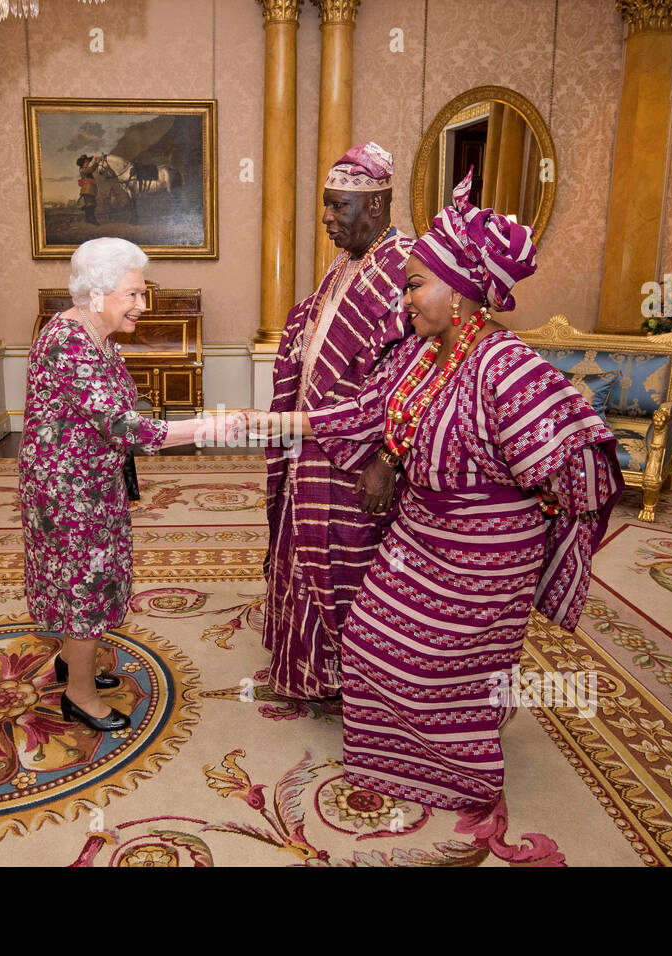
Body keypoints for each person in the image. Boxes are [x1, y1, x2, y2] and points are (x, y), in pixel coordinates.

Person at [249, 171, 623, 810]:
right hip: (418, 535)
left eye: (416, 285)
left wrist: (532, 522)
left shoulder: (506, 364)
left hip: (483, 551)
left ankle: (456, 774)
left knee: (428, 660)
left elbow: (578, 455)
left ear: (460, 290)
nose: (407, 301)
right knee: (369, 634)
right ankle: (397, 762)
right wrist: (263, 423)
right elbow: (368, 414)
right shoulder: (425, 354)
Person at [20, 237, 239, 731]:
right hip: (69, 489)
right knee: (85, 582)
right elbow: (122, 425)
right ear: (97, 294)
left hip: (93, 479)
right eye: (134, 294)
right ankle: (77, 695)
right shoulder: (68, 341)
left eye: (144, 293)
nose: (143, 305)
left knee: (91, 575)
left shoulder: (97, 335)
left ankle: (71, 663)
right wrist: (206, 427)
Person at [261, 141, 414, 701]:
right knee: (303, 546)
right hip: (314, 439)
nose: (325, 218)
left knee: (342, 560)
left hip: (355, 451)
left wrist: (386, 458)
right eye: (325, 206)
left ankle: (356, 683)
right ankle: (307, 672)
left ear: (374, 206)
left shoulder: (406, 269)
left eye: (336, 207)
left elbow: (407, 379)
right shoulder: (348, 261)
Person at [76, 154, 101, 226]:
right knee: (91, 204)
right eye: (86, 161)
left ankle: (88, 219)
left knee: (89, 204)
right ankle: (92, 219)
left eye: (87, 161)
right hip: (88, 189)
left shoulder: (85, 168)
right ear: (83, 162)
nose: (87, 162)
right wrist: (97, 162)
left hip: (90, 189)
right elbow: (91, 169)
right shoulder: (83, 169)